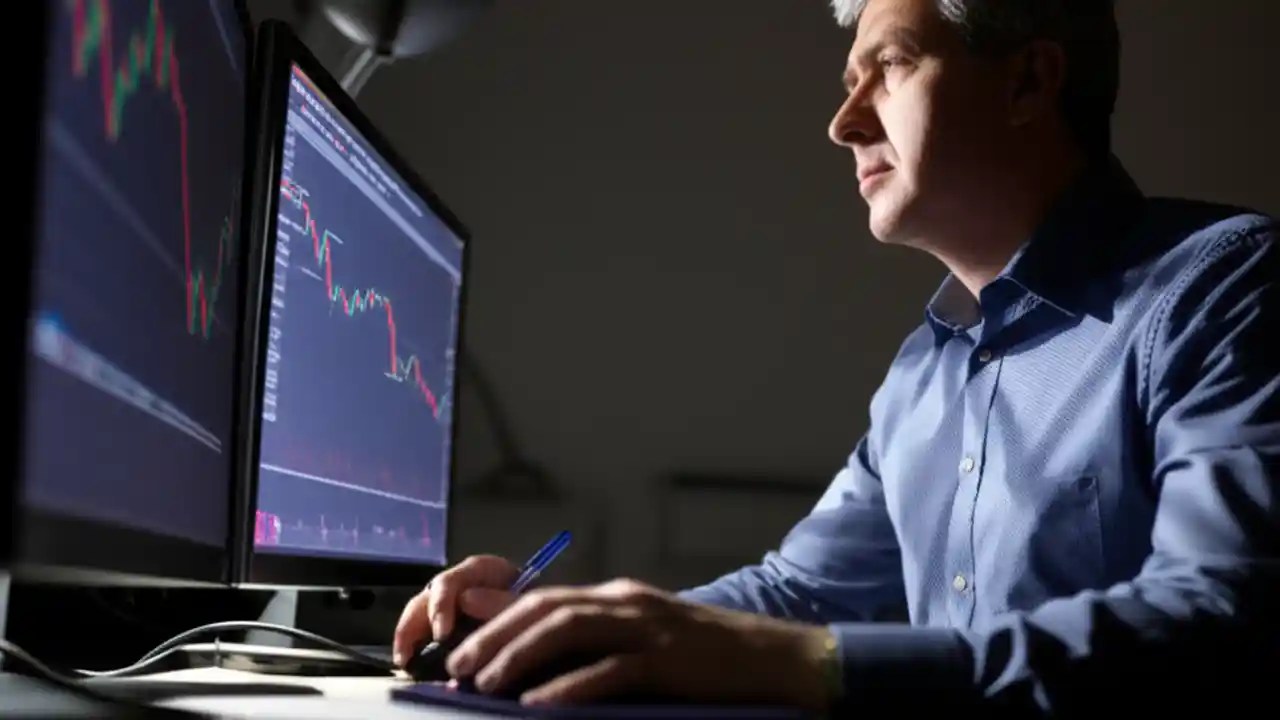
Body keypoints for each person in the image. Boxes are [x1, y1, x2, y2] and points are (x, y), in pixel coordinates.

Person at [394, 0, 1279, 714]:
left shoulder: (1222, 289)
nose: (842, 124)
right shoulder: (922, 373)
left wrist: (811, 666)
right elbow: (793, 597)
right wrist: (564, 625)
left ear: (1027, 80)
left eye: (888, 68)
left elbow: (1219, 623)